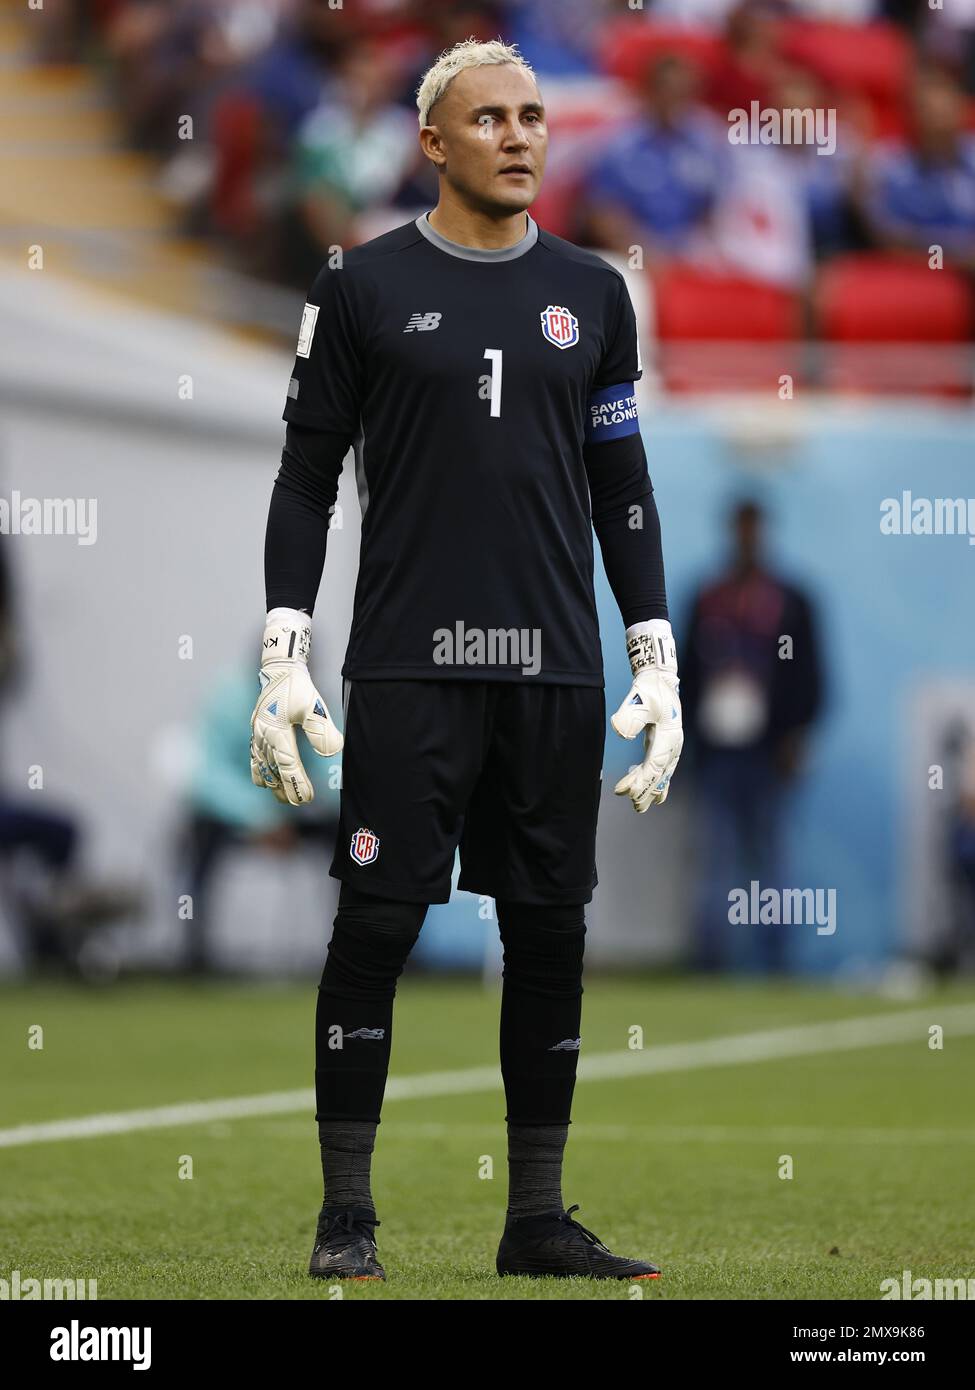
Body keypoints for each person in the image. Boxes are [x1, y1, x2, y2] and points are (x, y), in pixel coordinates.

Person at [250, 38, 683, 1283]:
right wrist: (286, 644)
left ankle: (535, 1220)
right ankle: (347, 1217)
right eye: (487, 117)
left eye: (534, 114)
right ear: (432, 142)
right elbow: (304, 476)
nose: (519, 134)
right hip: (408, 664)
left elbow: (622, 484)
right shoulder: (360, 286)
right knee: (376, 923)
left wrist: (649, 642)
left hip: (553, 668)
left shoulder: (596, 295)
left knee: (549, 935)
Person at [680, 500, 824, 973]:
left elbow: (810, 675)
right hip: (718, 752)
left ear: (763, 533)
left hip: (769, 753)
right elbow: (685, 673)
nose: (746, 539)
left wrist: (795, 735)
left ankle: (777, 960)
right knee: (714, 859)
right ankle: (710, 959)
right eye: (739, 530)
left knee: (773, 860)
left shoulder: (790, 601)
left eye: (752, 530)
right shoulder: (707, 597)